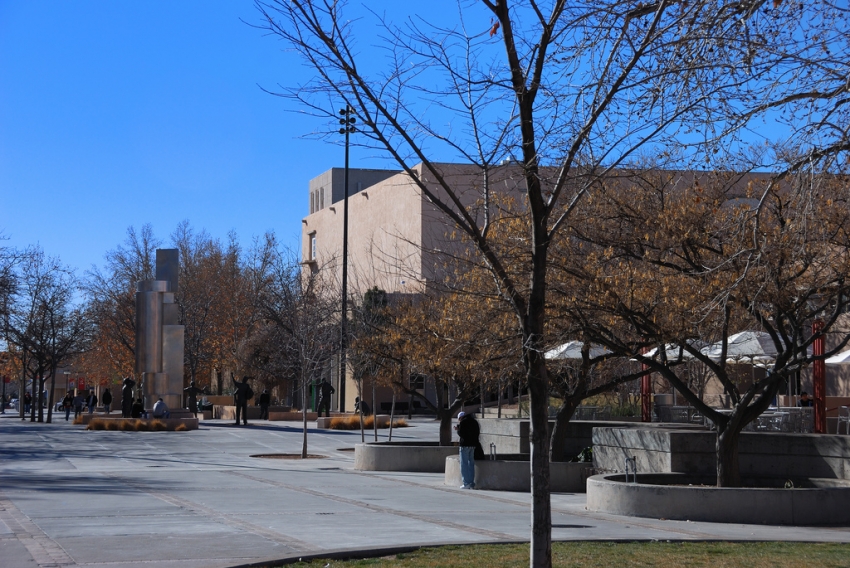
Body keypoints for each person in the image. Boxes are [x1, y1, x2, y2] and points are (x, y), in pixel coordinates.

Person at [455, 411, 480, 489]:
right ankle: (471, 483)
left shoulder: (463, 422)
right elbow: (477, 433)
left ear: (460, 418)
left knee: (464, 464)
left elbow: (462, 433)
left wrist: (458, 430)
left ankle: (466, 483)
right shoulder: (474, 421)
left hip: (465, 445)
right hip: (473, 445)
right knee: (471, 464)